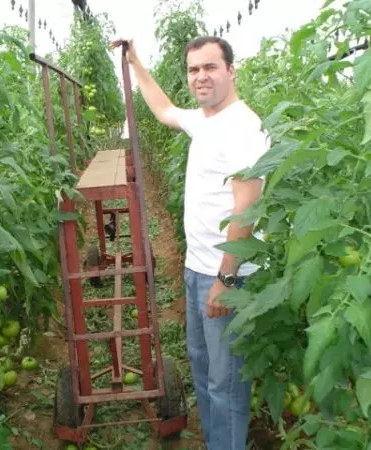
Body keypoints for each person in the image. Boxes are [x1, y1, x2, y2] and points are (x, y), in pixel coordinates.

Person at [112, 36, 269, 450]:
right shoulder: (205, 120)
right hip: (198, 270)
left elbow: (247, 210)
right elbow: (163, 109)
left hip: (228, 277)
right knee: (203, 371)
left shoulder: (244, 128)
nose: (201, 76)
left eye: (210, 67)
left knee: (227, 384)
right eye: (193, 69)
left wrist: (226, 280)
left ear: (231, 71)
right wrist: (134, 62)